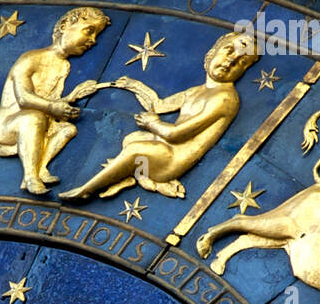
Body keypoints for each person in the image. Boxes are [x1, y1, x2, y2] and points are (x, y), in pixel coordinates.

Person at [58, 30, 259, 202]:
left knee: (137, 148)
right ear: (212, 52)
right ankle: (133, 175)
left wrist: (153, 124)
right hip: (162, 150)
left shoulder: (225, 98)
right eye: (229, 51)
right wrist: (135, 86)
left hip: (172, 161)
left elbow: (176, 135)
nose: (232, 60)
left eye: (242, 61)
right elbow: (158, 105)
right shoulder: (197, 90)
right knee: (133, 138)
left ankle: (87, 190)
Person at [0, 7, 110, 195]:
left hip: (40, 119)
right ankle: (30, 177)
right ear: (64, 26)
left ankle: (40, 167)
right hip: (9, 125)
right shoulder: (32, 58)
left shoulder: (63, 65)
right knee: (33, 118)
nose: (93, 40)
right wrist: (55, 108)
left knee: (68, 129)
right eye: (89, 30)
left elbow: (48, 100)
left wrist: (72, 99)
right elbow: (24, 98)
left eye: (96, 35)